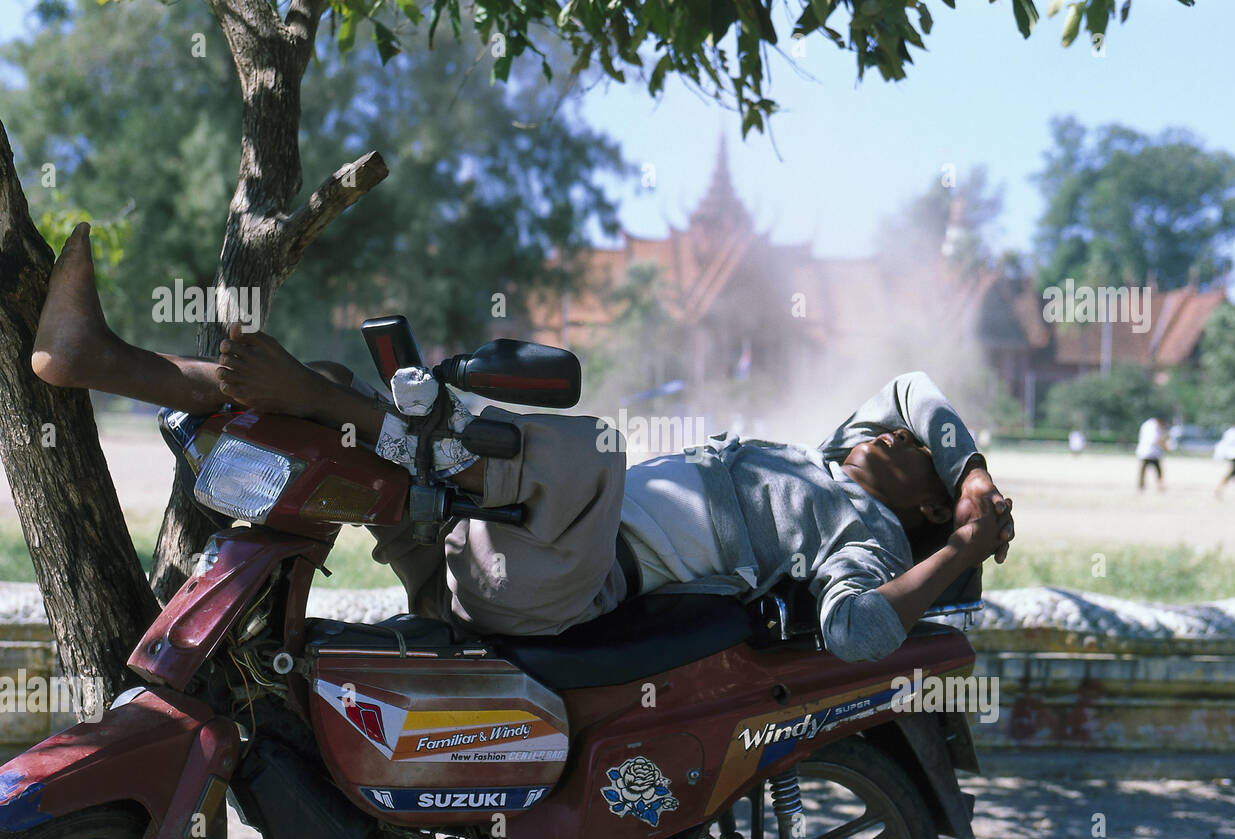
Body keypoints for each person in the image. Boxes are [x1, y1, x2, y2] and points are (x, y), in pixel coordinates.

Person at [32, 223, 1015, 664]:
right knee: (330, 400)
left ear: (916, 505)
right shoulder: (829, 454)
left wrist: (962, 544)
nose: (888, 427)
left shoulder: (863, 533)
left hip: (565, 587)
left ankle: (372, 410)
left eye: (912, 448)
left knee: (588, 448)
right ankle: (104, 361)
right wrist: (968, 467)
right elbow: (913, 387)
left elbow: (858, 631)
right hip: (484, 543)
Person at [1135, 416, 1168, 491]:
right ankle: (1144, 486)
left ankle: (1142, 486)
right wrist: (1165, 446)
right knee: (1156, 471)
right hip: (1149, 452)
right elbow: (1155, 440)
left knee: (1144, 470)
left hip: (1148, 452)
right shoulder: (1152, 427)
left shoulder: (1148, 424)